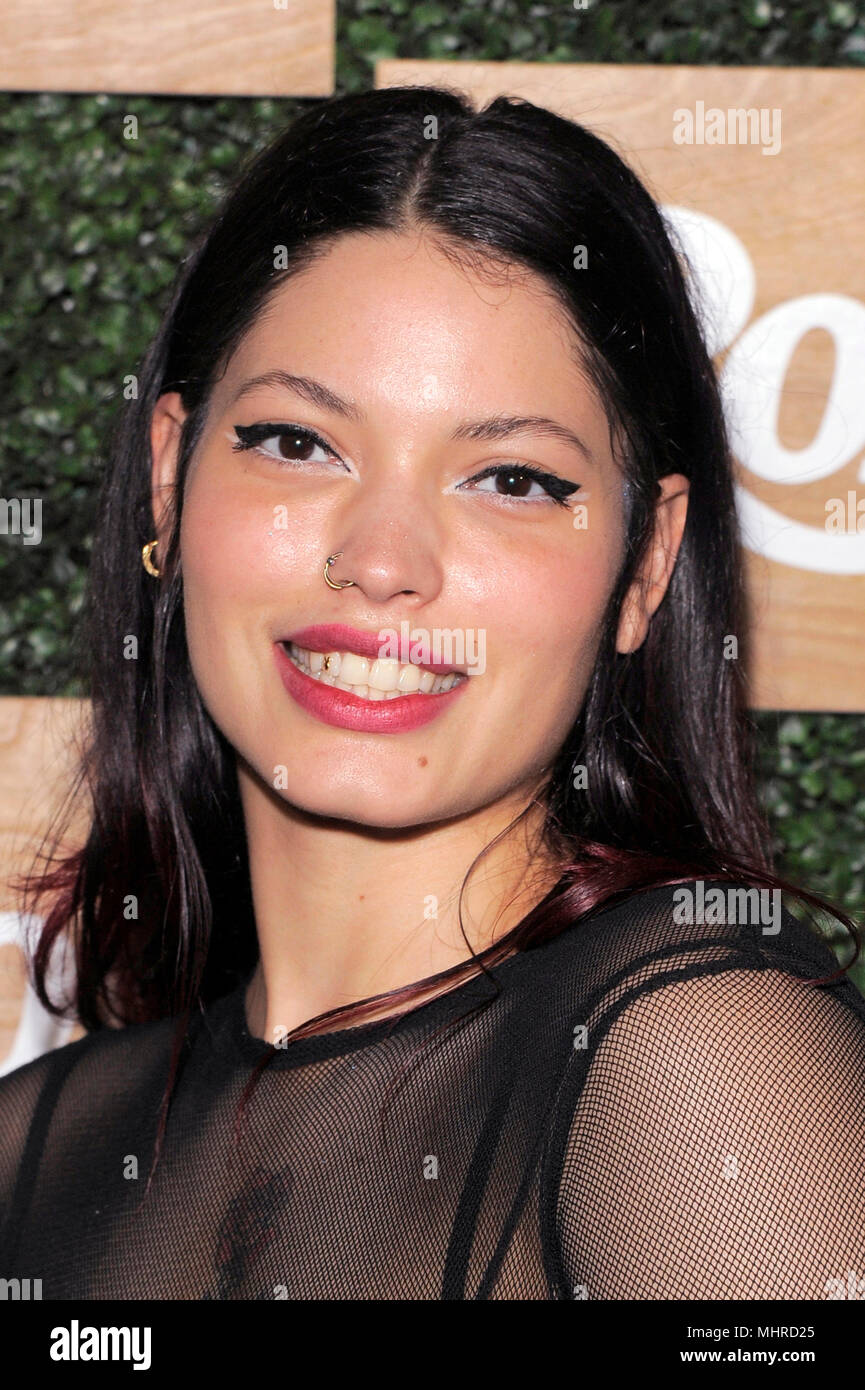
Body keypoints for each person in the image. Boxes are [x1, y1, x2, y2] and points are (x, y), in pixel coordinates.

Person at [1, 85, 863, 1301]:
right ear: (166, 480)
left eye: (509, 476)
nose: (385, 559)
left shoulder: (694, 1064)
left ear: (646, 566)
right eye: (297, 442)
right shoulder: (34, 1149)